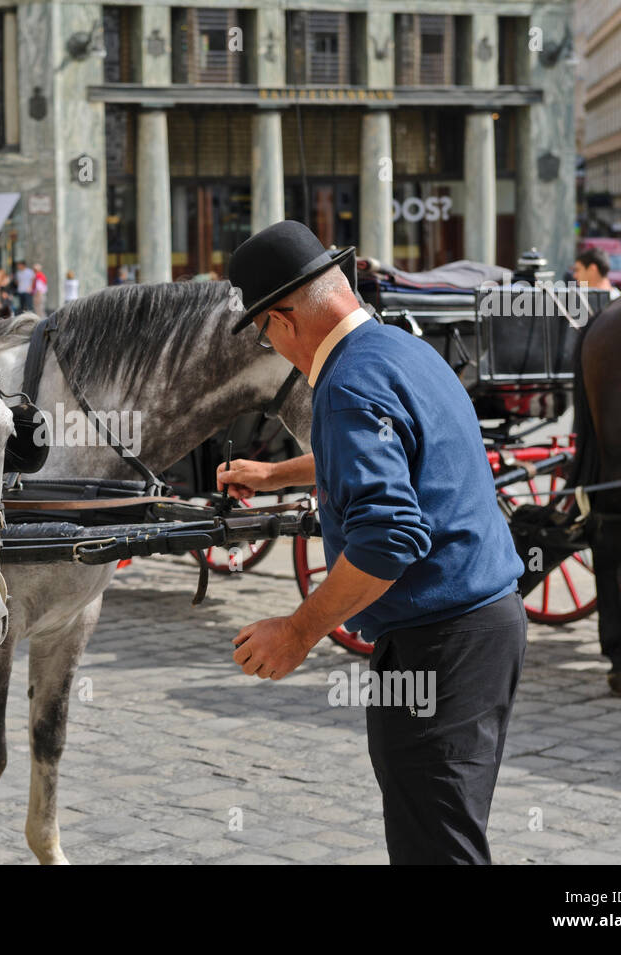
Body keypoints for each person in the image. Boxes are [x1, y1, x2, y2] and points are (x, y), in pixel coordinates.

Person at [217, 220, 527, 865]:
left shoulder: (345, 386)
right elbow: (409, 449)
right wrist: (275, 473)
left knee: (436, 847)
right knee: (449, 829)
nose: (273, 348)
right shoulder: (399, 348)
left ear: (282, 319)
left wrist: (299, 630)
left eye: (264, 333)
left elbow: (388, 536)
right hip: (487, 625)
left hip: (437, 642)